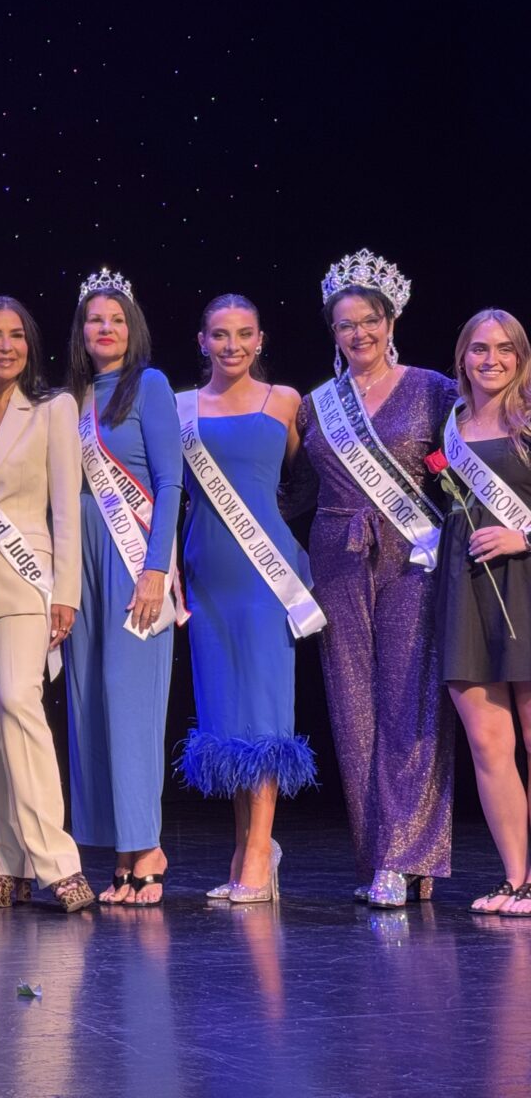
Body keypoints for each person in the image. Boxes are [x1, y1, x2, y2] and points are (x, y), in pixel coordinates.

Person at [287, 250, 456, 907]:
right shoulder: (315, 406)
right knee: (354, 707)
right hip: (337, 554)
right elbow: (296, 490)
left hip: (413, 555)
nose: (358, 334)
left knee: (410, 700)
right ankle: (380, 856)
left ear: (391, 322)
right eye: (345, 324)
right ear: (333, 332)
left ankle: (410, 856)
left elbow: (458, 467)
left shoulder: (434, 389)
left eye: (369, 321)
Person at [0, 296, 95, 913]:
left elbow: (66, 505)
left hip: (26, 576)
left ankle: (57, 860)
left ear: (30, 345)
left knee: (18, 702)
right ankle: (6, 858)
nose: (5, 347)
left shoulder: (54, 408)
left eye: (16, 336)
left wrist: (66, 592)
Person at [175, 296, 318, 904]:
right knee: (226, 715)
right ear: (202, 341)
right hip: (207, 574)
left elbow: (309, 480)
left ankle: (260, 849)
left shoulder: (284, 400)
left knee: (263, 710)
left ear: (260, 340)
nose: (232, 345)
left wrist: (274, 522)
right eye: (219, 334)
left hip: (266, 574)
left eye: (244, 334)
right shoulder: (180, 408)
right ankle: (244, 848)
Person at [64, 270, 182, 905]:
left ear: (131, 328)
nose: (105, 329)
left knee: (130, 699)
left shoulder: (151, 385)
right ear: (81, 332)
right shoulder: (71, 398)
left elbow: (169, 482)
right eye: (94, 320)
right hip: (78, 559)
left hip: (132, 556)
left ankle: (147, 846)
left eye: (116, 319)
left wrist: (155, 569)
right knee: (90, 703)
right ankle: (119, 847)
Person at [436, 309, 531, 915]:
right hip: (466, 588)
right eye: (479, 348)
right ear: (462, 357)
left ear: (520, 357)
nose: (490, 359)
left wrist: (525, 535)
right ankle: (517, 879)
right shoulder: (448, 425)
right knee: (488, 741)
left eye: (504, 348)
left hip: (526, 580)